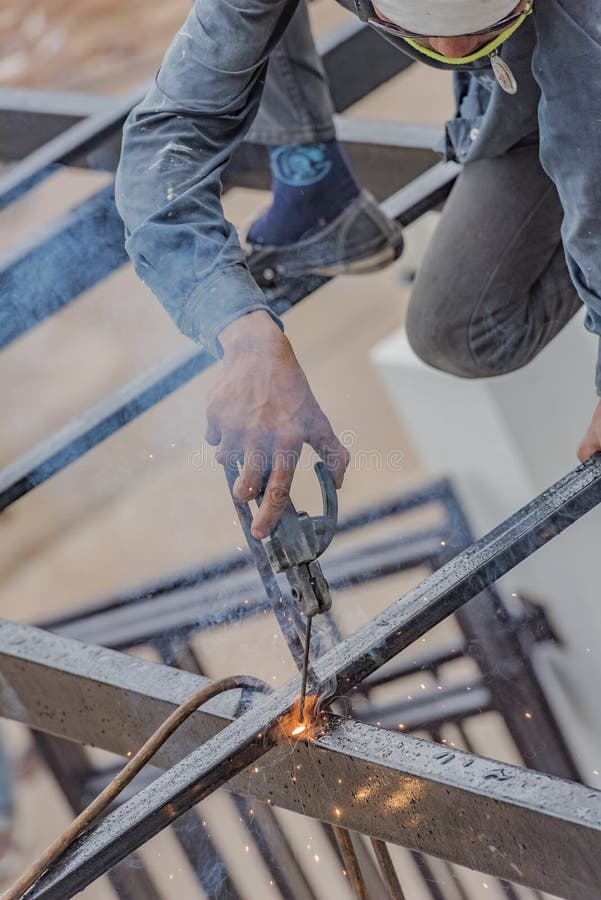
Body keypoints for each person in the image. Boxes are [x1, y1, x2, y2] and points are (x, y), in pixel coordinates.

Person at [115, 0, 601, 540]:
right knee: (456, 332)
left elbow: (592, 164)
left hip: (583, 46)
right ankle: (312, 177)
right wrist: (241, 329)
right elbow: (164, 144)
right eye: (427, 31)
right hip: (521, 79)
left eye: (482, 27)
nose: (454, 51)